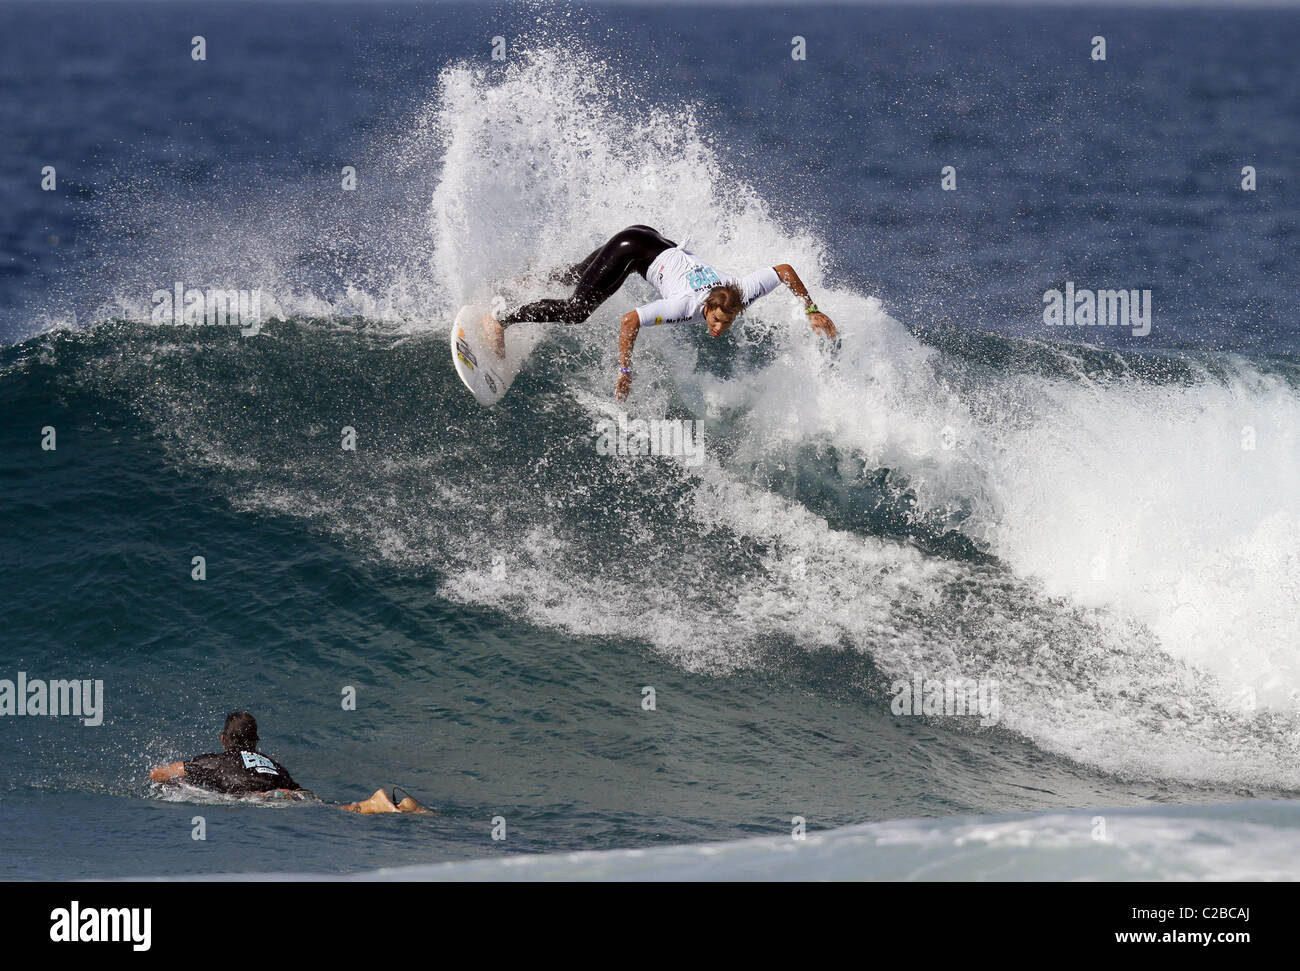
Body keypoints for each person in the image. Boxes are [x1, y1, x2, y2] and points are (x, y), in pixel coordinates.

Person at [481, 225, 838, 401]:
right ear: (708, 307)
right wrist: (624, 369)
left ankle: (525, 280)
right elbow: (630, 320)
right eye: (716, 320)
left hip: (650, 238)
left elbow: (784, 271)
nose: (718, 328)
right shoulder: (686, 306)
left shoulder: (740, 291)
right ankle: (502, 317)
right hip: (633, 250)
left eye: (726, 323)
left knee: (581, 275)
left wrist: (812, 310)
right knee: (578, 310)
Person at [148, 710, 429, 814]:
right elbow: (296, 790)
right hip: (292, 792)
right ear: (256, 741)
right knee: (330, 809)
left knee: (331, 817)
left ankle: (375, 804)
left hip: (267, 797)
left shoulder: (216, 761)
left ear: (224, 740)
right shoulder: (272, 763)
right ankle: (396, 805)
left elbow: (160, 774)